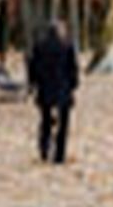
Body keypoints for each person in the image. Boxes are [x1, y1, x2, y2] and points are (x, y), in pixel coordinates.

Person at [28, 20, 79, 164]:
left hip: (45, 89)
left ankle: (44, 148)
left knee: (45, 121)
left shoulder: (40, 47)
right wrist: (73, 85)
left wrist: (33, 84)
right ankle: (59, 154)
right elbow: (72, 69)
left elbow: (33, 67)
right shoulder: (67, 46)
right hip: (63, 89)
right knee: (63, 124)